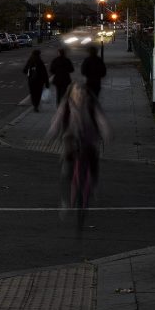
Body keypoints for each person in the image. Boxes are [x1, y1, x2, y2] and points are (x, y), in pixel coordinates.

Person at [47, 81, 112, 212]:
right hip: (70, 138)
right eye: (77, 91)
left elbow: (101, 120)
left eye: (82, 91)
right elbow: (57, 120)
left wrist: (107, 132)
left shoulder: (91, 105)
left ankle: (93, 184)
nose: (80, 94)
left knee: (93, 159)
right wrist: (52, 134)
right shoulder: (66, 105)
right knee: (66, 168)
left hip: (89, 139)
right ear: (71, 93)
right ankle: (65, 200)